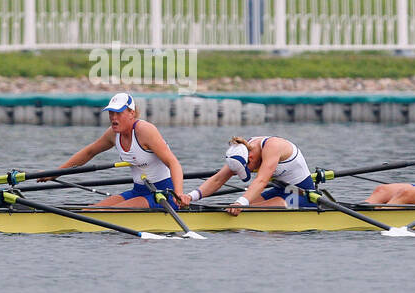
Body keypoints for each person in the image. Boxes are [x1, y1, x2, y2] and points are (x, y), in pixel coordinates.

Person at [43, 92, 188, 209]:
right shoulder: (113, 134)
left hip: (164, 195)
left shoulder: (145, 131)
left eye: (118, 113)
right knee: (89, 210)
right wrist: (56, 173)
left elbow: (173, 163)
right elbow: (89, 152)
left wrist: (179, 194)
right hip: (138, 191)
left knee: (111, 212)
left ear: (131, 113)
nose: (113, 117)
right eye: (111, 113)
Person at [185, 136, 318, 215]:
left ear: (251, 157)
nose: (249, 171)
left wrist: (241, 203)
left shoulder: (273, 146)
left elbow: (261, 181)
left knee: (246, 207)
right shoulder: (241, 151)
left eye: (248, 169)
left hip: (303, 195)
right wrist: (190, 197)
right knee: (242, 207)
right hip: (280, 190)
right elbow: (218, 179)